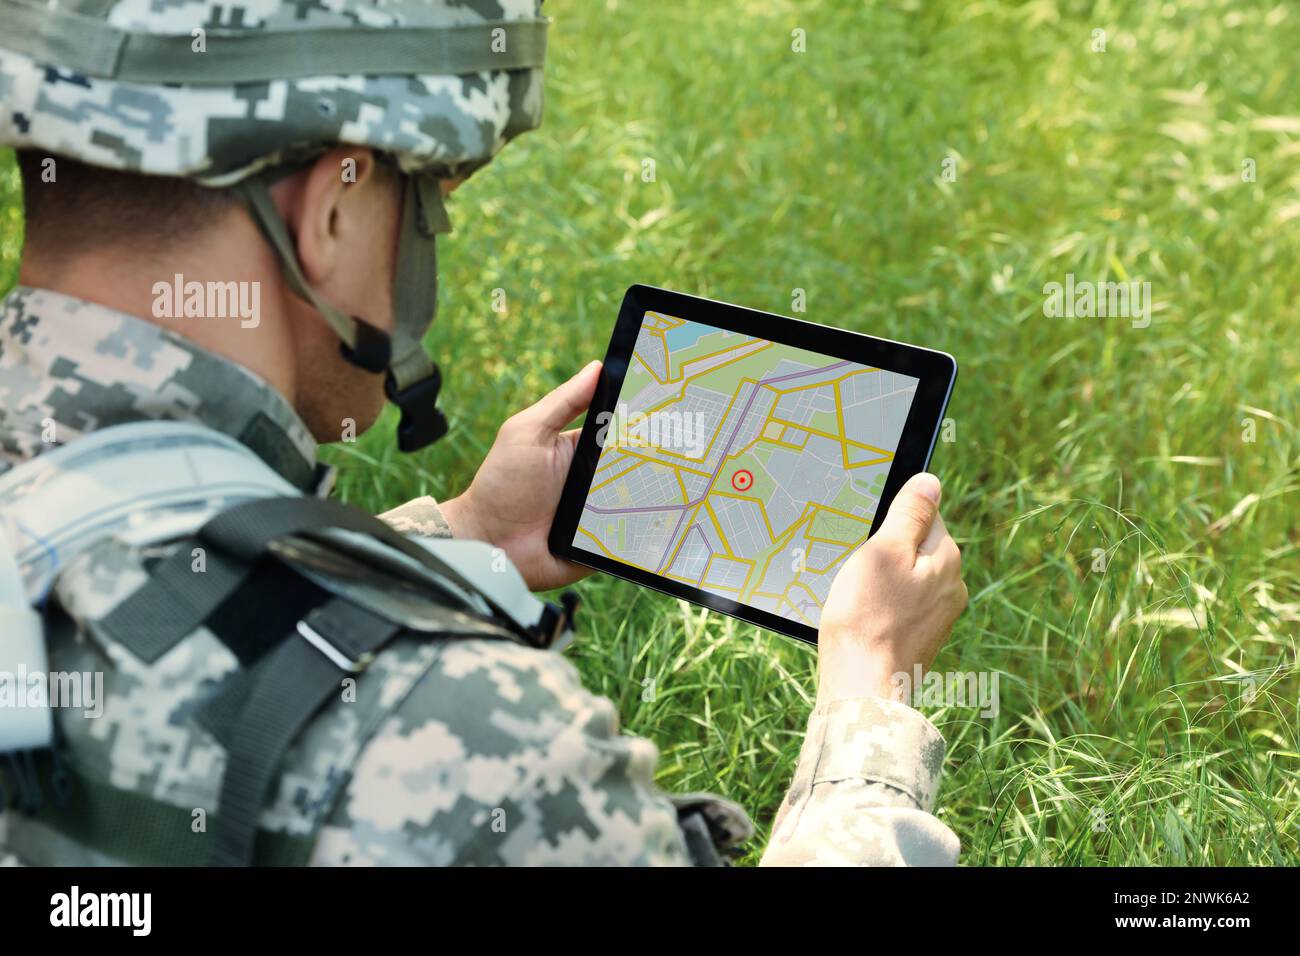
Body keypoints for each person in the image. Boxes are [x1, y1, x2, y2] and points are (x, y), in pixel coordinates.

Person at [0, 0, 967, 866]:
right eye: (432, 209)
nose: (430, 245)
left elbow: (154, 597)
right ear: (331, 214)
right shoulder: (477, 749)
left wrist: (465, 539)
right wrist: (868, 701)